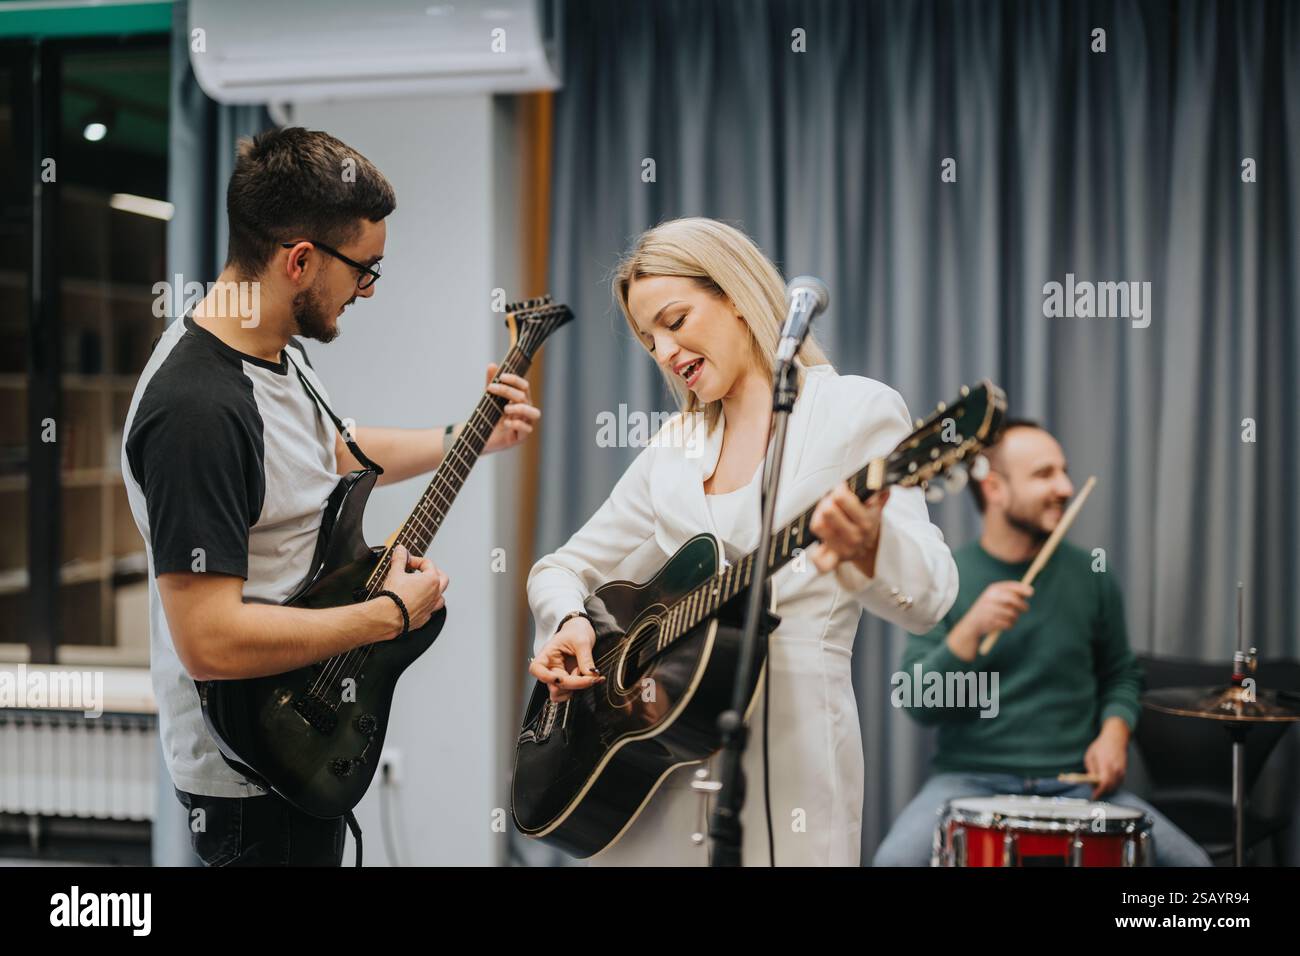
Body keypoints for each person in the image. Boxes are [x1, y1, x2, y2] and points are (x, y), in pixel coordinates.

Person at [122, 127, 539, 865]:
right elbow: (209, 642)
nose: (367, 291)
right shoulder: (197, 411)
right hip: (251, 777)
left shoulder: (275, 351)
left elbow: (326, 450)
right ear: (301, 260)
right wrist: (383, 618)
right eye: (365, 270)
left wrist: (470, 434)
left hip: (299, 745)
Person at [526, 217, 959, 865]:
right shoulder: (671, 449)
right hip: (657, 779)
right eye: (649, 340)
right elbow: (560, 567)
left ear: (734, 292)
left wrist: (870, 549)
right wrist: (567, 619)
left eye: (675, 320)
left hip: (793, 767)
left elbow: (930, 595)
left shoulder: (853, 411)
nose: (666, 351)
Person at [871, 419, 1212, 866]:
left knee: (1195, 866)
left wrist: (1114, 732)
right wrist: (970, 630)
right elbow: (919, 701)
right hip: (969, 780)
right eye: (1044, 474)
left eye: (1064, 471)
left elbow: (1121, 674)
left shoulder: (1092, 574)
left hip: (1077, 783)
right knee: (893, 863)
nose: (1066, 487)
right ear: (993, 488)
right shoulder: (947, 578)